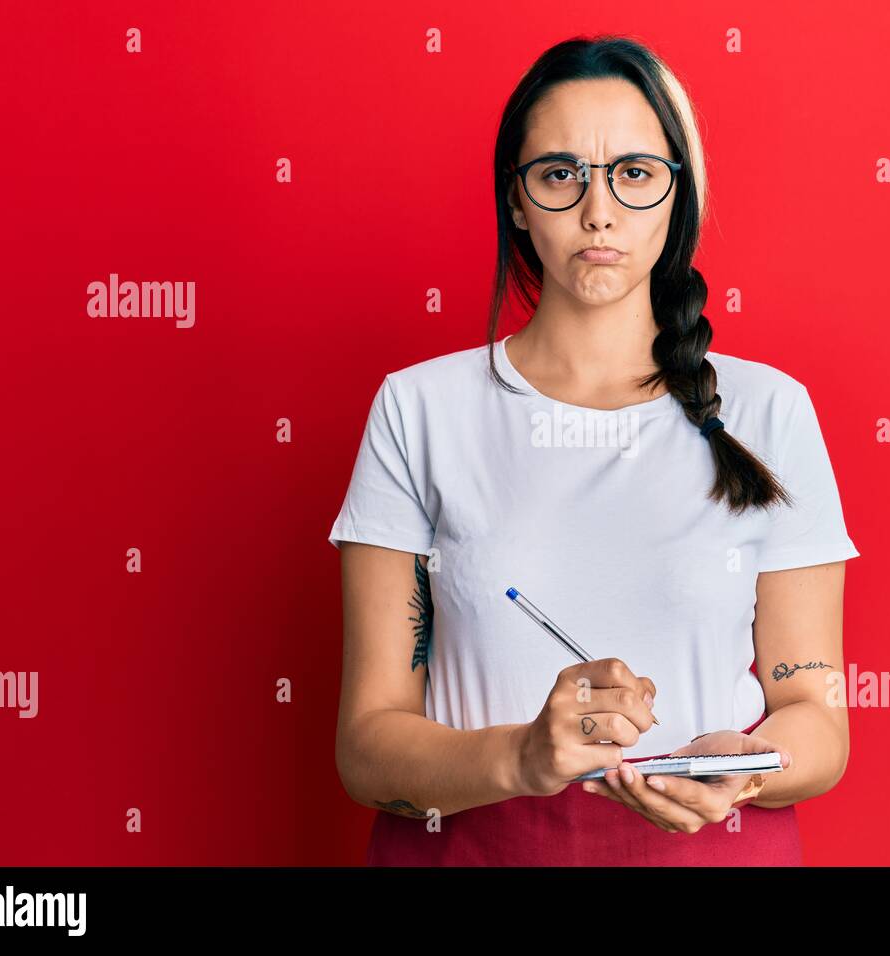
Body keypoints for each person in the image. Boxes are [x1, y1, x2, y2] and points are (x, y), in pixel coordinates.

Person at [328, 35, 859, 866]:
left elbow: (819, 717)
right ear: (516, 199)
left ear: (676, 196)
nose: (598, 211)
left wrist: (746, 770)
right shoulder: (416, 409)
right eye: (560, 174)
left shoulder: (772, 411)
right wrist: (521, 757)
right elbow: (366, 749)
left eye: (635, 174)